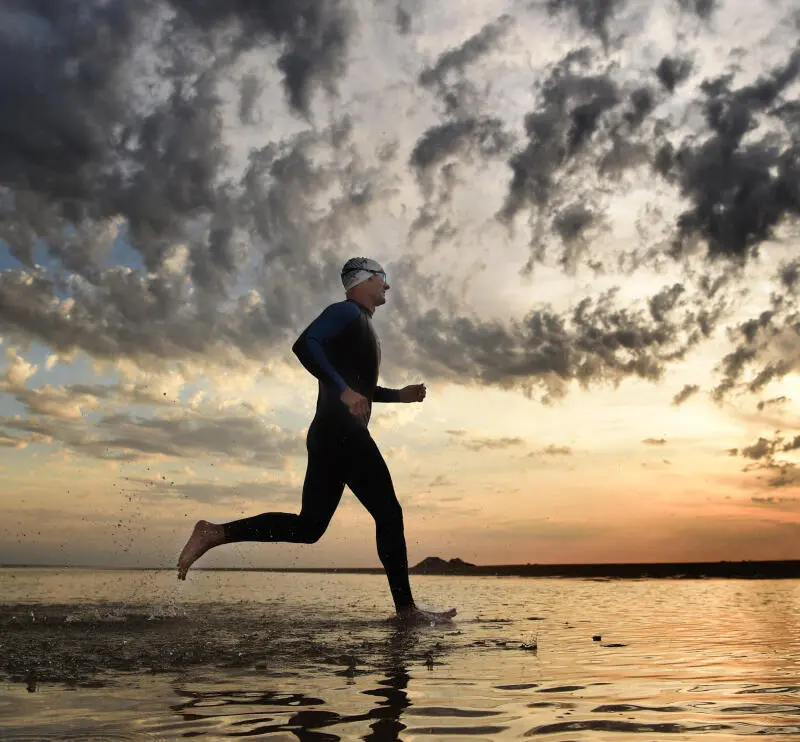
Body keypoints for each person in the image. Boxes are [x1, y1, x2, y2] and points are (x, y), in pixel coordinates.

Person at [177, 257, 456, 624]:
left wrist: (397, 396)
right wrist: (342, 391)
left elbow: (360, 388)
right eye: (383, 279)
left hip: (330, 434)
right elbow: (305, 344)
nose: (387, 286)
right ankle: (406, 611)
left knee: (308, 528)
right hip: (342, 433)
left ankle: (216, 532)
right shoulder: (346, 313)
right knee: (389, 514)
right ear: (364, 280)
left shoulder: (364, 326)